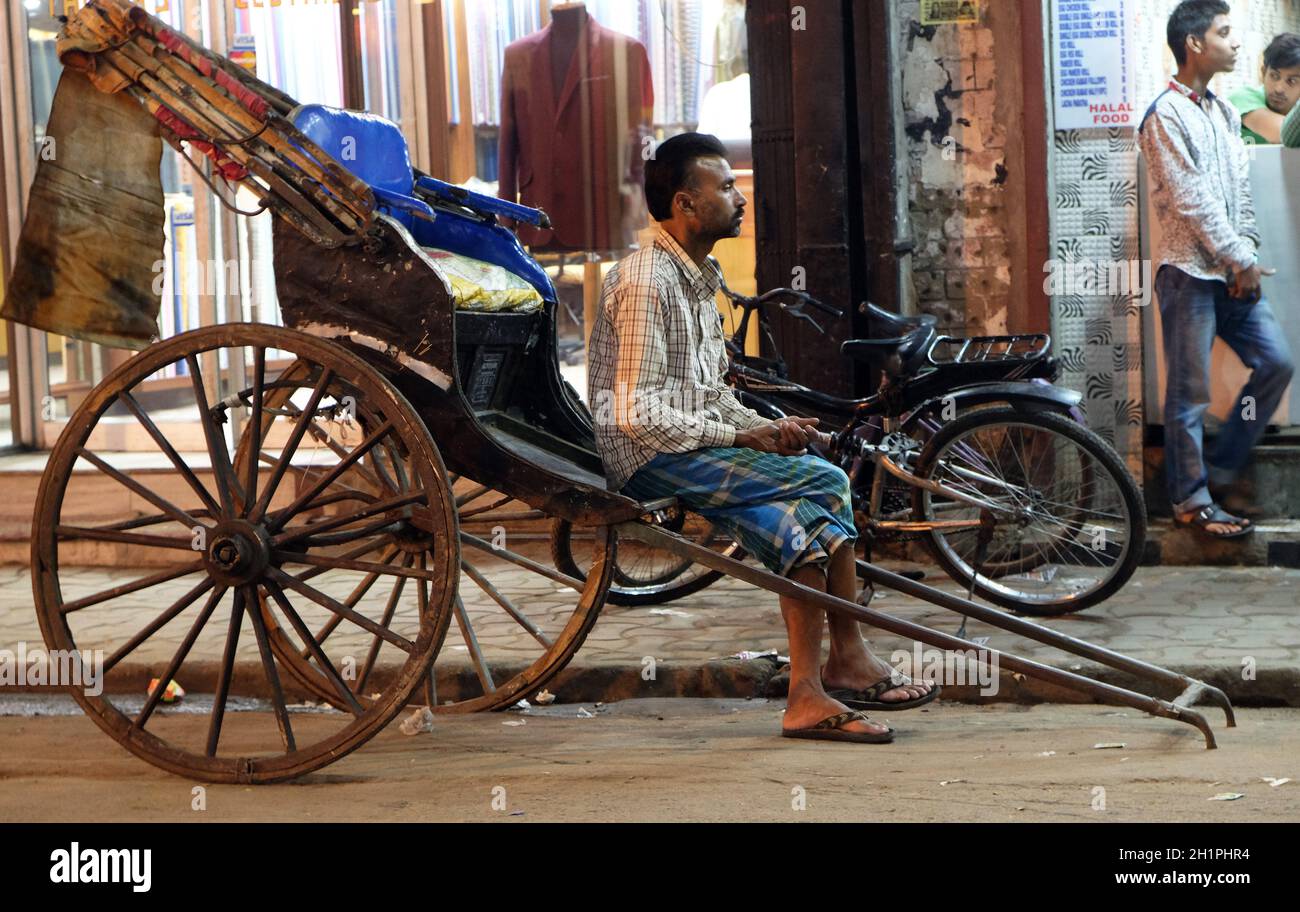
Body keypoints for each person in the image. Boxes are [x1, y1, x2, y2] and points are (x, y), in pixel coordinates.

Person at [587, 132, 937, 744]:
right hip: (647, 455)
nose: (740, 197)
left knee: (796, 523)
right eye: (724, 187)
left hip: (687, 441)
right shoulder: (648, 281)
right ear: (684, 205)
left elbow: (707, 389)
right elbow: (637, 412)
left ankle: (812, 692)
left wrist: (763, 426)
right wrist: (746, 437)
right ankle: (846, 658)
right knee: (828, 480)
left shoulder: (699, 275)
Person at [1139, 0, 1295, 539]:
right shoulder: (1165, 115)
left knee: (1275, 364)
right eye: (1224, 33)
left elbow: (1238, 198)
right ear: (1195, 45)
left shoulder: (1225, 112)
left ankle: (1226, 459)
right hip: (1186, 275)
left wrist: (1243, 252)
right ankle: (1190, 500)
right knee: (1188, 396)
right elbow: (1191, 200)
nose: (1236, 43)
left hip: (1232, 274)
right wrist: (1241, 258)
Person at [1228, 32, 1300, 145]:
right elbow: (1284, 134)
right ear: (1263, 72)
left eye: (1292, 81)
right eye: (1274, 76)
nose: (1279, 89)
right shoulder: (1243, 98)